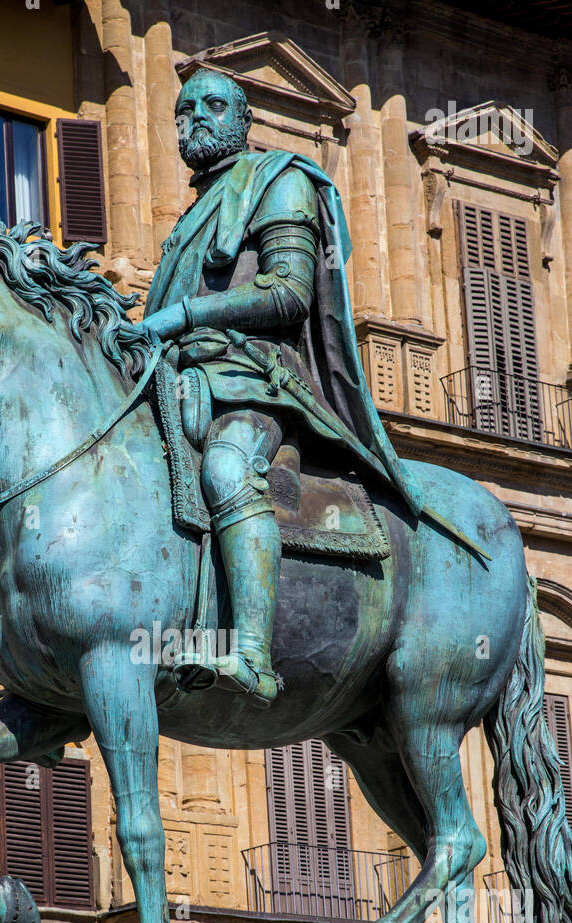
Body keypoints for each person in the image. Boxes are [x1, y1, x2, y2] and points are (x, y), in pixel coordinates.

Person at [142, 69, 424, 705]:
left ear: (243, 119)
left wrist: (183, 316)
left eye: (214, 106)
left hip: (257, 382)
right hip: (183, 378)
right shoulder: (187, 221)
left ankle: (250, 653)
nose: (196, 119)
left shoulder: (280, 180)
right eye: (184, 111)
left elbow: (290, 291)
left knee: (224, 467)